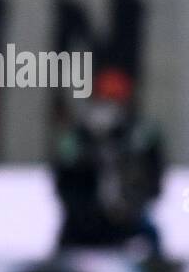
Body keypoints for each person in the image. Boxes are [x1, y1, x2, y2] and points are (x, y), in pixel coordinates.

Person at [52, 69, 164, 258]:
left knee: (151, 242)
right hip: (81, 224)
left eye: (115, 100)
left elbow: (153, 181)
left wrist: (130, 207)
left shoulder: (141, 137)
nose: (109, 107)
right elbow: (63, 182)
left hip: (128, 221)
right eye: (104, 99)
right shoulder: (76, 137)